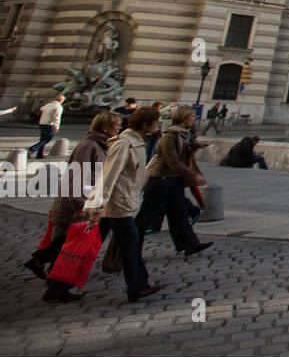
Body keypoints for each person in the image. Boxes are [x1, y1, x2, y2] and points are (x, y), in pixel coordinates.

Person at [25, 111, 120, 291]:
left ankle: (42, 265)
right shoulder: (89, 145)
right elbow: (77, 175)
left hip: (86, 198)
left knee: (64, 240)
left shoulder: (102, 144)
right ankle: (54, 281)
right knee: (67, 241)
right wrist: (79, 203)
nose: (119, 128)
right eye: (116, 125)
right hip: (76, 201)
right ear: (105, 128)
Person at [85, 107, 162, 302]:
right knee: (130, 245)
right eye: (155, 122)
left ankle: (60, 281)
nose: (157, 125)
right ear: (145, 124)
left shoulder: (137, 143)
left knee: (92, 244)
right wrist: (96, 206)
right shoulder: (124, 144)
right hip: (118, 204)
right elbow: (108, 176)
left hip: (123, 202)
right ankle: (137, 285)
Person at [136, 105, 211, 257]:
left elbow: (181, 157)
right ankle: (131, 248)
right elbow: (173, 162)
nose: (194, 119)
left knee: (180, 214)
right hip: (161, 180)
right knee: (145, 217)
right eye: (191, 117)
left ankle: (190, 244)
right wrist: (194, 176)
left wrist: (194, 147)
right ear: (184, 119)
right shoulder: (169, 137)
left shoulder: (183, 135)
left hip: (174, 181)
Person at [28, 94, 65, 159]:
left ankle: (39, 155)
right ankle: (31, 150)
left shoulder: (48, 104)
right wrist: (57, 126)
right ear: (61, 100)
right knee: (47, 139)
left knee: (42, 139)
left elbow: (41, 109)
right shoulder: (58, 106)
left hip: (42, 123)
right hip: (50, 124)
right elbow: (57, 117)